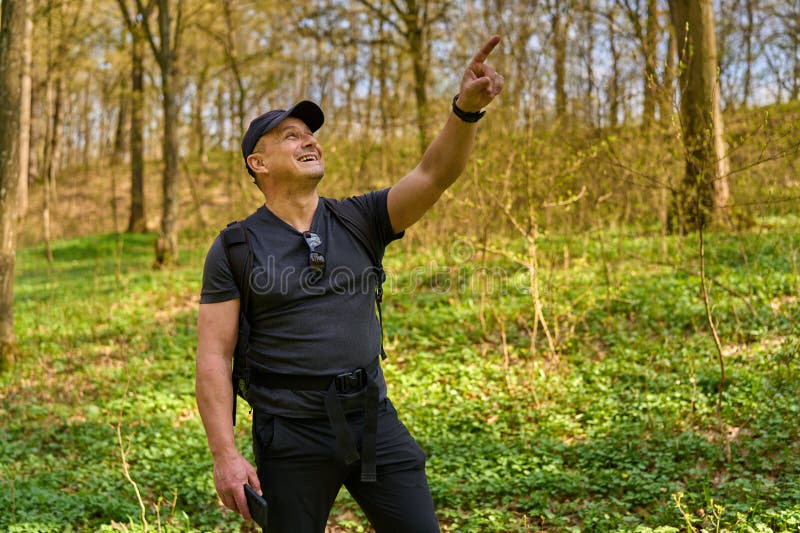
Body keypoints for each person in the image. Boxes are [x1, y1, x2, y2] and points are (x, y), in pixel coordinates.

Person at [196, 35, 504, 532]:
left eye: (311, 135)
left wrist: (465, 112)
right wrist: (225, 455)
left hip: (372, 418)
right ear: (258, 162)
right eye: (293, 136)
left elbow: (433, 174)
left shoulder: (361, 219)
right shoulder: (236, 248)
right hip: (289, 434)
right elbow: (213, 355)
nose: (310, 141)